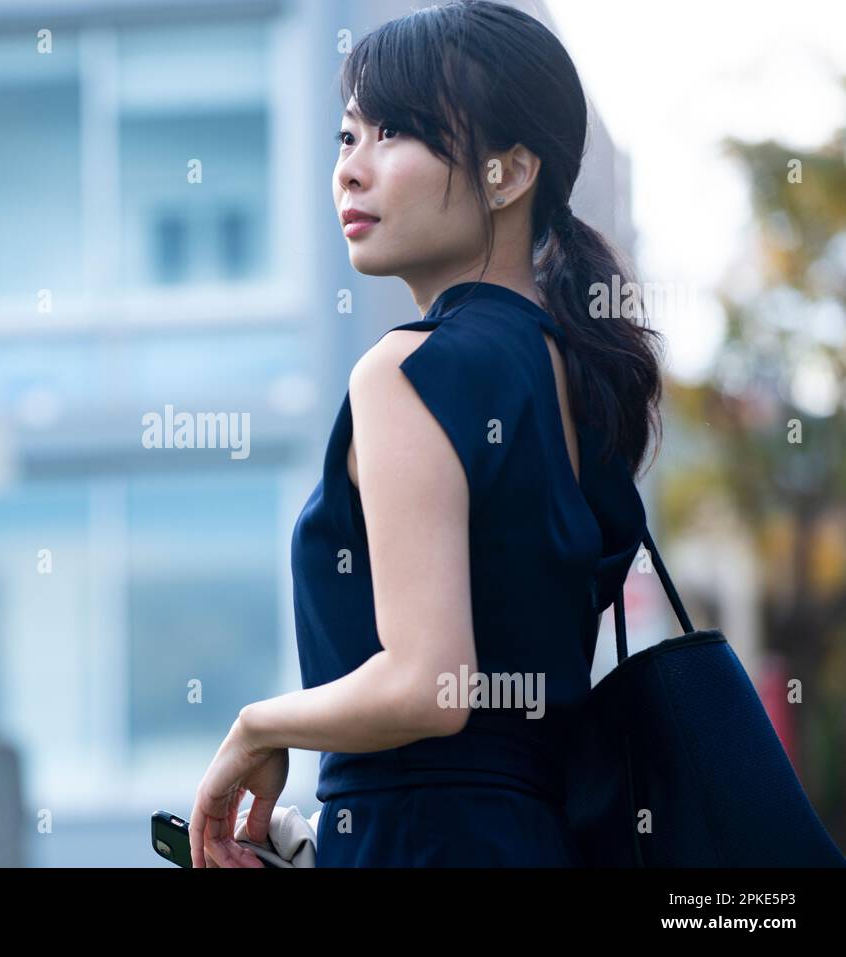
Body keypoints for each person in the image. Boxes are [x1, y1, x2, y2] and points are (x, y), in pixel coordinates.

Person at [189, 0, 665, 867]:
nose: (351, 172)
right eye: (346, 137)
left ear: (509, 173)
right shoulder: (574, 373)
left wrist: (258, 723)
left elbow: (428, 689)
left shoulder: (408, 370)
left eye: (395, 134)